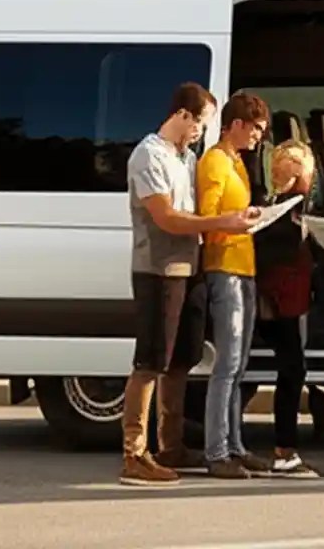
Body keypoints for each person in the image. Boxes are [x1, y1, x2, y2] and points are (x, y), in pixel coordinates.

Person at [120, 82, 260, 487]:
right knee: (150, 361)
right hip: (158, 270)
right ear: (182, 114)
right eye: (201, 121)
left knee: (183, 358)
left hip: (189, 267)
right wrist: (223, 222)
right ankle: (134, 453)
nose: (203, 130)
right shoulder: (149, 156)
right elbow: (166, 218)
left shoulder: (186, 157)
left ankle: (172, 444)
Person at [196, 91, 274, 479]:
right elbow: (207, 219)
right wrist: (235, 221)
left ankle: (235, 445)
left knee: (239, 363)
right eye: (256, 129)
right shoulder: (214, 162)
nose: (259, 136)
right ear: (237, 125)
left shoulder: (237, 162)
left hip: (244, 266)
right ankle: (217, 451)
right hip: (224, 265)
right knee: (226, 364)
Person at [253, 139, 323, 478]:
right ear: (297, 176)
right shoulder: (287, 213)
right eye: (309, 172)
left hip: (281, 303)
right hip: (282, 305)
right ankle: (284, 450)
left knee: (291, 370)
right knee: (292, 371)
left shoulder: (272, 205)